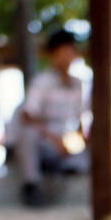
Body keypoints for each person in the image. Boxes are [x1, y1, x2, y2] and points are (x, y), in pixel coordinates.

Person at [15, 29, 89, 207]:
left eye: (70, 50)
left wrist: (77, 140)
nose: (66, 56)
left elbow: (80, 119)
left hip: (66, 145)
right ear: (52, 55)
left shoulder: (78, 84)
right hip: (44, 141)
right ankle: (31, 185)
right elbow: (28, 115)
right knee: (28, 134)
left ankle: (66, 172)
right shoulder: (42, 81)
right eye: (61, 51)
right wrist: (53, 138)